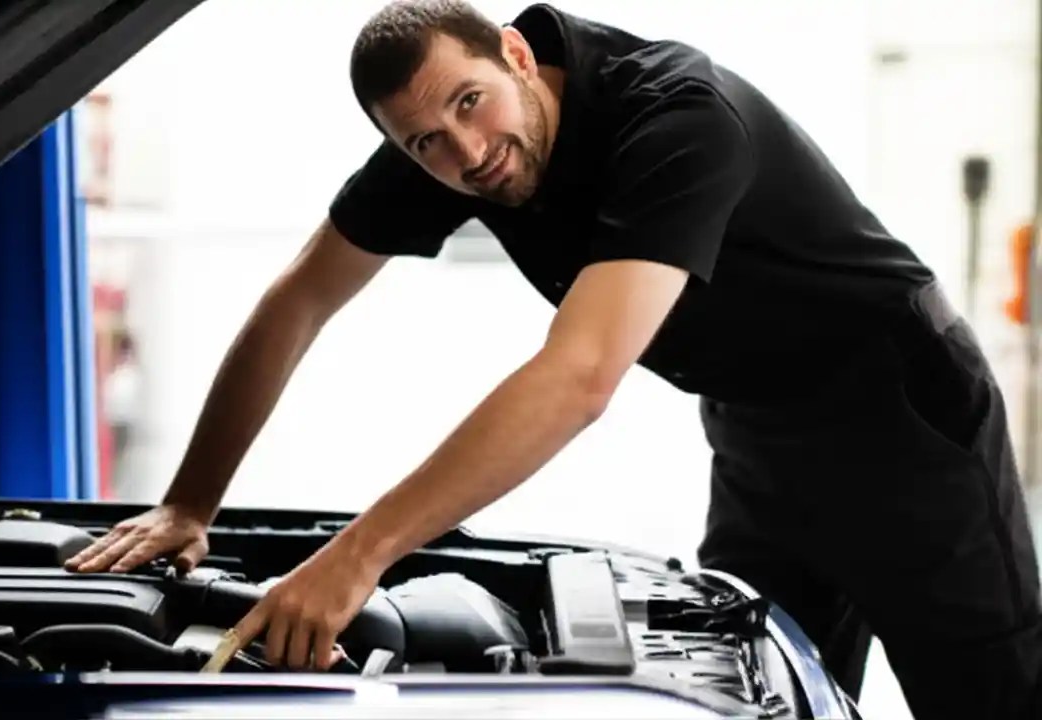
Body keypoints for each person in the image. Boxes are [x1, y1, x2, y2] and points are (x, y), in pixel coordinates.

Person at [65, 2, 1042, 717]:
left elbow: (579, 378)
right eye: (424, 143)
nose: (463, 151)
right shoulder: (445, 142)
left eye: (470, 103)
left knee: (983, 701)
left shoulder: (677, 118)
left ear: (517, 55)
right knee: (750, 696)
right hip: (754, 426)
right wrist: (189, 502)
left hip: (897, 416)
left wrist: (355, 558)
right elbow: (297, 302)